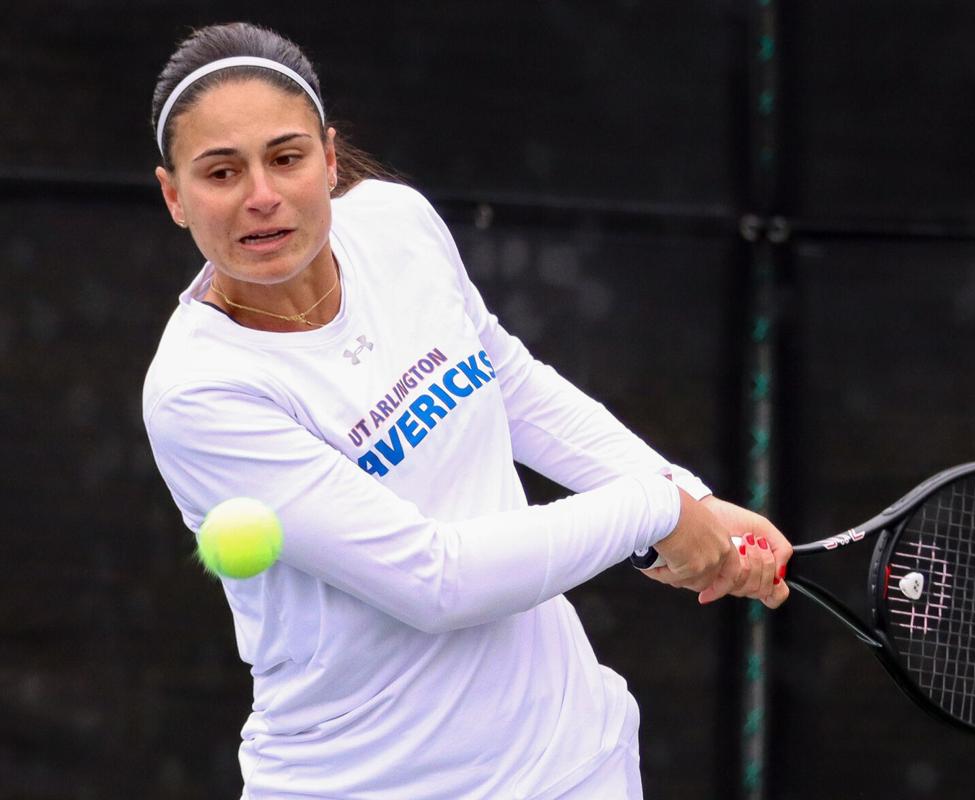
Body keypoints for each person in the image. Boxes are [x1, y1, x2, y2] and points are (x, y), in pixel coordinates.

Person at [142, 22, 791, 800]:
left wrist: (688, 496)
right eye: (221, 172)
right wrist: (654, 510)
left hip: (573, 760)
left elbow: (505, 380)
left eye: (287, 157)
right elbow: (436, 580)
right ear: (175, 195)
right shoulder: (199, 391)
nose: (262, 197)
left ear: (330, 157)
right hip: (367, 783)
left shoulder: (395, 222)